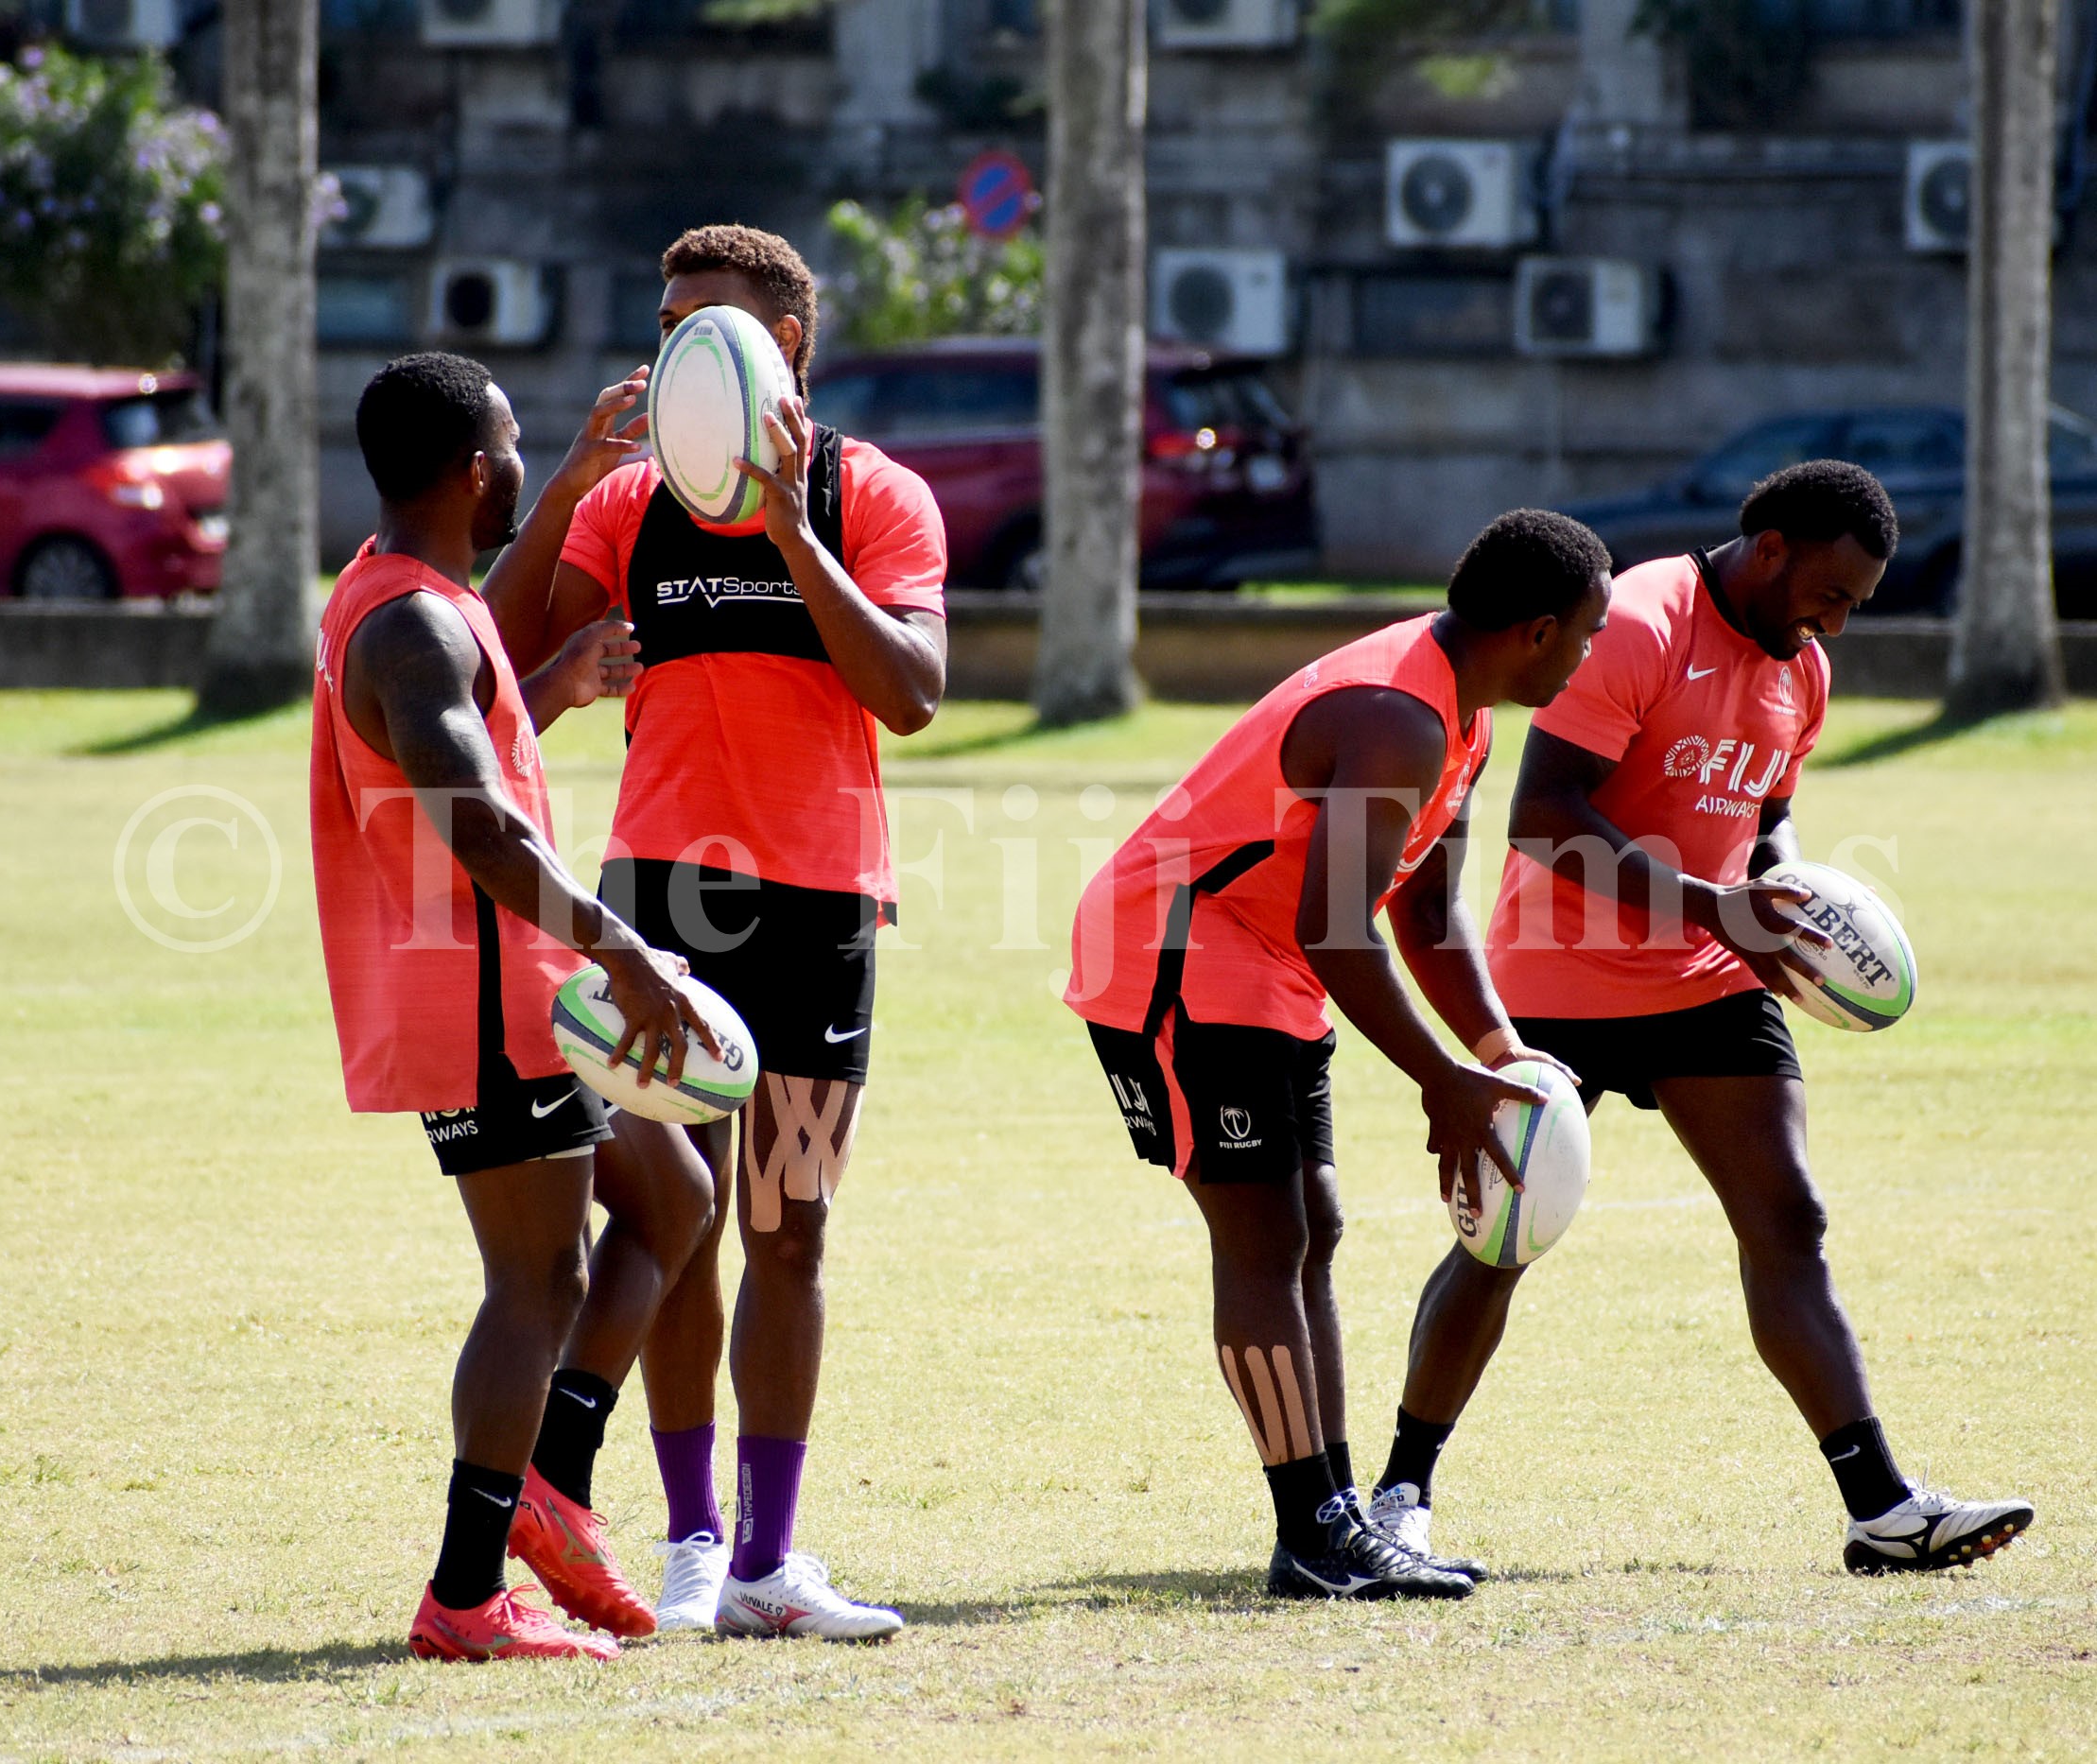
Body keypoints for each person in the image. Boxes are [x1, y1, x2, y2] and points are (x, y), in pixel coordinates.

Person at [1363, 461, 2036, 1578]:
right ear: (1768, 547)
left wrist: (1790, 914)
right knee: (1501, 1238)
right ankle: (1399, 1494)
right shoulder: (1637, 620)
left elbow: (1767, 826)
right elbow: (1544, 819)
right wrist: (1721, 905)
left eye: (1857, 604)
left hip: (1710, 978)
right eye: (1830, 590)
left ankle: (1881, 1508)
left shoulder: (1801, 671)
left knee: (1791, 1220)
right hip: (1557, 983)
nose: (1836, 620)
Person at [487, 224, 946, 1639]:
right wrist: (566, 483)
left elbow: (913, 688)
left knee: (786, 1230)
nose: (685, 342)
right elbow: (496, 666)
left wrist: (791, 525)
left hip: (817, 905)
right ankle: (688, 1545)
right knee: (670, 1223)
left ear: (787, 342)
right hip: (659, 913)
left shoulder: (872, 493)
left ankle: (768, 1560)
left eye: (717, 320)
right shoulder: (626, 506)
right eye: (670, 316)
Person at [1065, 510, 1613, 1600]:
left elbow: (1423, 910)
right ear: (1538, 631)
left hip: (1265, 957)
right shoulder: (1399, 718)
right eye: (1590, 635)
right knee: (1264, 1232)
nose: (1594, 655)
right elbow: (1337, 922)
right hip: (1178, 948)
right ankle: (1311, 1535)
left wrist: (1497, 1049)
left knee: (1315, 1224)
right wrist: (1441, 1081)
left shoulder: (1463, 715)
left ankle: (1335, 1517)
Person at [312, 352, 719, 1661]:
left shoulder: (429, 598)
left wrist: (570, 503)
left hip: (527, 990)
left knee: (671, 1201)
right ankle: (466, 1589)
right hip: (477, 997)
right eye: (514, 452)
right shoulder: (406, 621)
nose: (522, 469)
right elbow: (478, 821)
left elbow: (476, 736)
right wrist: (628, 949)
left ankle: (547, 1484)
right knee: (537, 1277)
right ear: (470, 470)